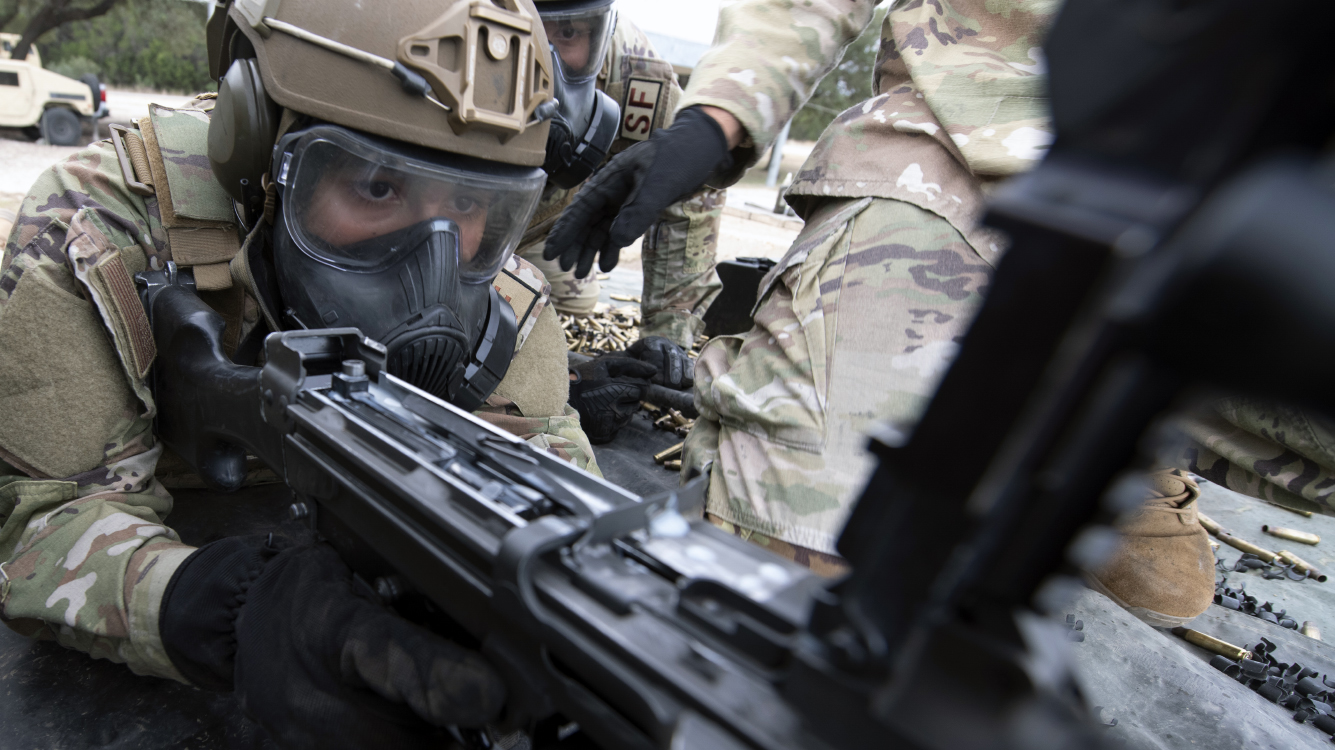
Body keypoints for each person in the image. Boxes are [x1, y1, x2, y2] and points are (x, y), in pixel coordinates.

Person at [0, 0, 594, 744]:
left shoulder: (502, 299)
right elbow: (42, 525)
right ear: (257, 148)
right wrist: (227, 610)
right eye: (377, 186)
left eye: (473, 203)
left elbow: (564, 514)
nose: (438, 262)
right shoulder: (104, 231)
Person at [544, 0, 1228, 627]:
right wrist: (720, 115)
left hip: (1229, 222)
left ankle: (1085, 429)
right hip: (964, 157)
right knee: (790, 577)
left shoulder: (635, 68)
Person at [526, 0, 715, 438]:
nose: (543, 56)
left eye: (568, 33)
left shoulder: (640, 76)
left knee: (571, 302)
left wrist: (668, 331)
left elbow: (688, 196)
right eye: (530, 25)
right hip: (474, 208)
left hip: (546, 217)